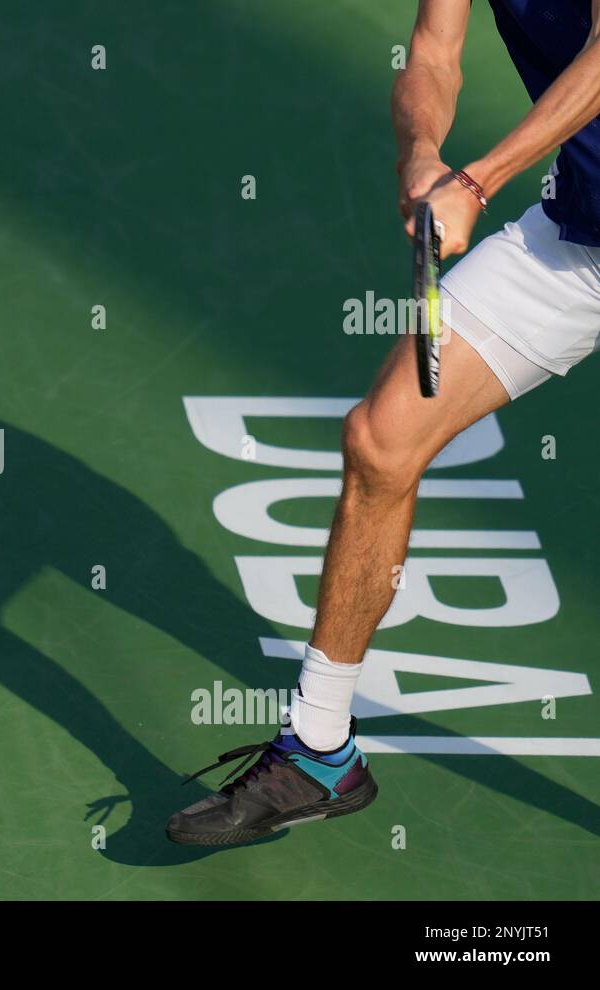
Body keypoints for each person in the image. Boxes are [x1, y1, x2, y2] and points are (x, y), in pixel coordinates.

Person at [168, 0, 600, 846]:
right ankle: (320, 750)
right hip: (580, 243)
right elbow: (435, 54)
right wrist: (425, 158)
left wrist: (478, 181)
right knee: (382, 438)